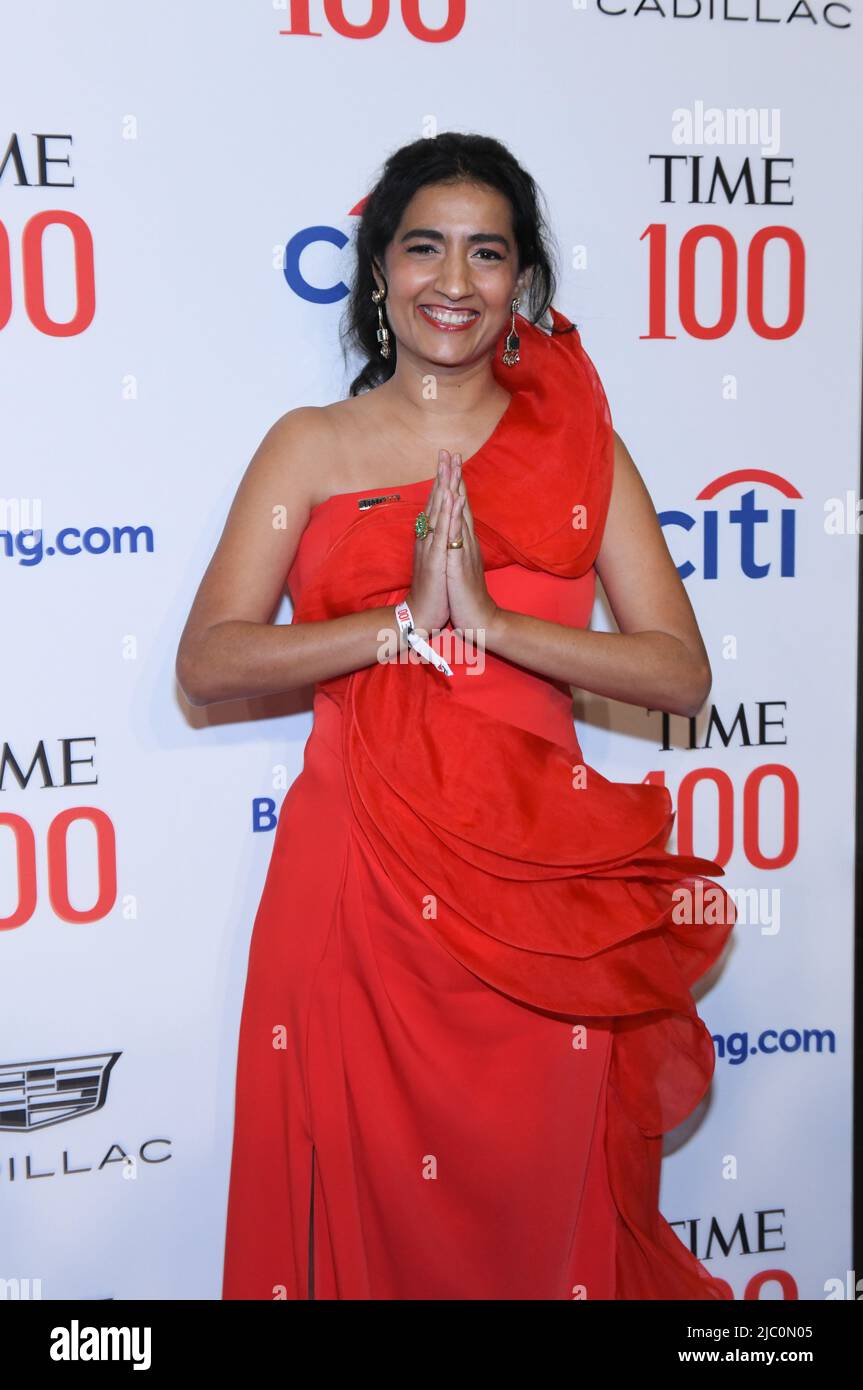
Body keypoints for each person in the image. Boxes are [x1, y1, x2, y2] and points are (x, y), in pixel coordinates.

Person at [176, 132, 736, 1301]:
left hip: (543, 905)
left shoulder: (582, 448)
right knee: (354, 1191)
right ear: (376, 269)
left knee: (540, 1207)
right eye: (423, 246)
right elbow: (211, 659)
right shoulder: (310, 444)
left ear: (521, 282)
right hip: (357, 895)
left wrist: (480, 618)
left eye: (488, 253)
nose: (453, 280)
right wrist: (396, 624)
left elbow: (677, 673)